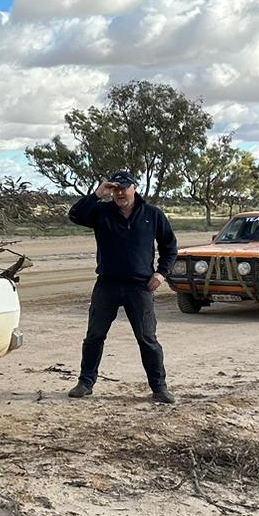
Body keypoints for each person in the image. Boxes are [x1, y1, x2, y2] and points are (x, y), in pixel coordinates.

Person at [66, 170, 178, 404]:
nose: (119, 193)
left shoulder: (152, 214)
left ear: (134, 188)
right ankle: (86, 382)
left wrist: (161, 273)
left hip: (140, 287)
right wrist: (97, 194)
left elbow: (170, 247)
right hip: (107, 284)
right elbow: (74, 215)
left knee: (147, 338)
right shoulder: (101, 212)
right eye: (115, 189)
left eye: (123, 188)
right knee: (94, 336)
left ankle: (159, 388)